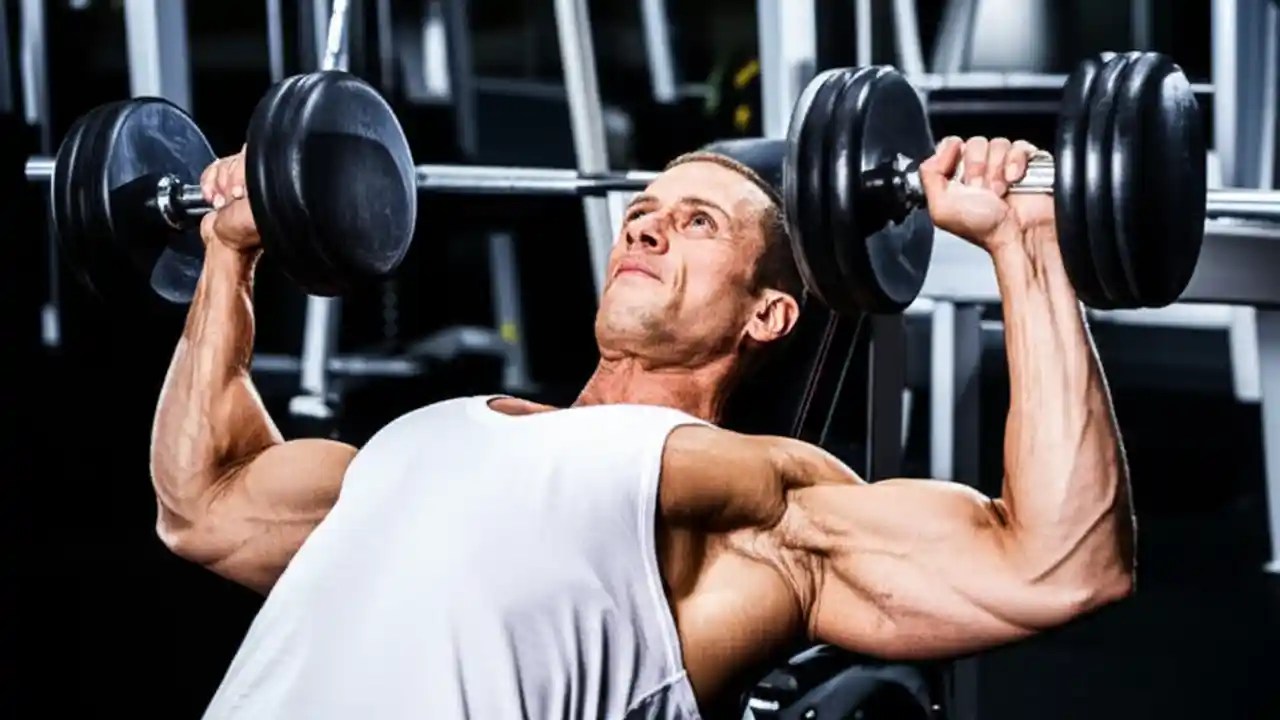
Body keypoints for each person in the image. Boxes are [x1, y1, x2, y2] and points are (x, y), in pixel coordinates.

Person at [150, 135, 1135, 719]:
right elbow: (204, 501)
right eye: (643, 212)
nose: (644, 226)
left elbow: (1058, 565)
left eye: (698, 221)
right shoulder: (423, 436)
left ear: (766, 315)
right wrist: (226, 252)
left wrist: (1025, 244)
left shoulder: (749, 499)